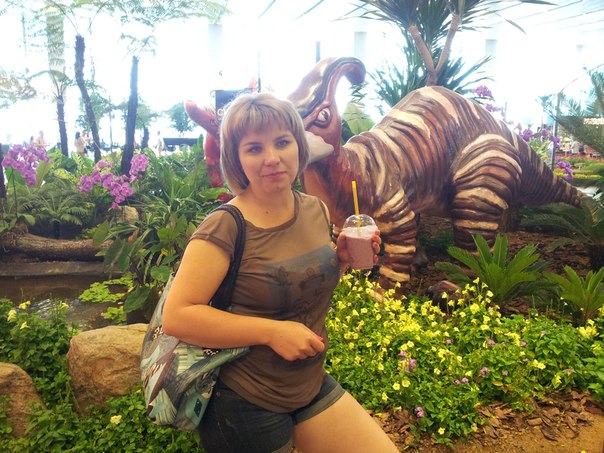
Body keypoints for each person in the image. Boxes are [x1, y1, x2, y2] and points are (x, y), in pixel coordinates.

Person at [162, 92, 398, 453]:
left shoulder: (314, 209)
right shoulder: (225, 225)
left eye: (282, 142)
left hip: (308, 382)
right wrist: (272, 332)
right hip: (243, 398)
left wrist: (340, 259)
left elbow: (300, 282)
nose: (272, 158)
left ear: (298, 146)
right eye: (254, 148)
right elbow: (177, 316)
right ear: (237, 158)